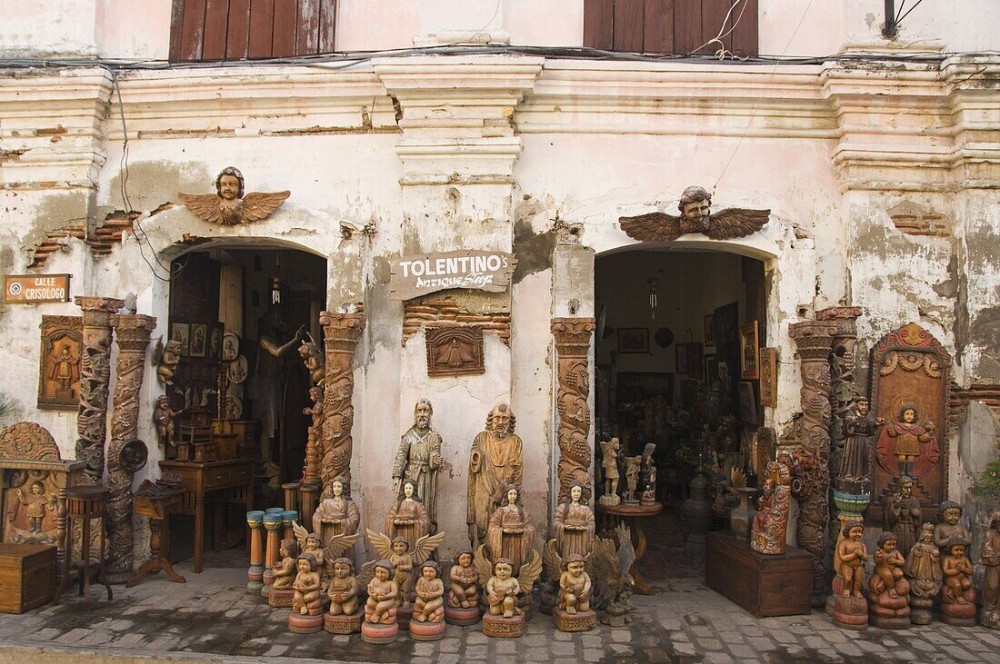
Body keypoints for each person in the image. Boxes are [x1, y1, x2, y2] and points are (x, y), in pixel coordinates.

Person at [252, 311, 305, 483]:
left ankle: (270, 459)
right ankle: (265, 459)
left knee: (274, 423)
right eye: (276, 320)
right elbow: (278, 352)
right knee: (267, 421)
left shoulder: (276, 338)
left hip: (274, 382)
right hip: (265, 383)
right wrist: (296, 340)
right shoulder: (264, 340)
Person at [467, 404, 523, 547]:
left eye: (505, 418)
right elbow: (475, 461)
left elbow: (515, 468)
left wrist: (503, 489)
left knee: (503, 524)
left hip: (505, 489)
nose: (500, 422)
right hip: (484, 487)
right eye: (497, 418)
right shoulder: (481, 438)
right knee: (482, 523)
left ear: (510, 421)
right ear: (491, 419)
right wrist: (476, 456)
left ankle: (501, 561)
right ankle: (481, 558)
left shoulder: (515, 441)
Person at [392, 399, 443, 531]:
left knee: (424, 508)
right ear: (415, 413)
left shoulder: (434, 436)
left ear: (430, 413)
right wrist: (397, 476)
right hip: (410, 477)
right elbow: (401, 455)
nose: (422, 414)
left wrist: (435, 460)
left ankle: (425, 536)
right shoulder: (408, 436)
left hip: (426, 479)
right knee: (407, 507)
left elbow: (434, 454)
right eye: (419, 410)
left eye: (425, 410)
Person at [876, 404, 937, 478]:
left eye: (911, 414)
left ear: (914, 416)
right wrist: (889, 425)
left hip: (913, 447)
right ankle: (902, 471)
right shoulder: (898, 426)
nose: (909, 416)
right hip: (901, 446)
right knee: (902, 457)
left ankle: (909, 472)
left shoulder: (917, 428)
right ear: (902, 415)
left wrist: (929, 435)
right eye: (907, 414)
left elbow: (922, 438)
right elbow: (892, 434)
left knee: (911, 458)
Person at [487, 484, 536, 572]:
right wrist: (502, 531)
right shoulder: (501, 511)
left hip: (518, 541)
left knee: (516, 558)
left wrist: (523, 531)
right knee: (505, 558)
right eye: (510, 494)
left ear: (517, 496)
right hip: (504, 540)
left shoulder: (522, 511)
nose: (512, 496)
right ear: (506, 495)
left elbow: (530, 527)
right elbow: (492, 526)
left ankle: (517, 573)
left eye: (514, 494)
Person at [312, 476, 361, 561]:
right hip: (327, 532)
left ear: (344, 488)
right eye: (334, 487)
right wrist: (322, 520)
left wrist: (341, 521)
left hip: (342, 533)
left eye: (339, 486)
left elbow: (355, 518)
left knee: (343, 554)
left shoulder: (349, 504)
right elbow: (316, 515)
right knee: (328, 552)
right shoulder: (326, 502)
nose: (336, 489)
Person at [838, 398, 882, 492]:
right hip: (853, 440)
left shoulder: (869, 415)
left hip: (864, 441)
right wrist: (851, 422)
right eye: (862, 404)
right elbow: (846, 426)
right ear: (857, 405)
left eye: (866, 405)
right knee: (852, 457)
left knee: (863, 458)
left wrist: (876, 423)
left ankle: (862, 475)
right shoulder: (851, 413)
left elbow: (871, 426)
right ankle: (848, 474)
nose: (864, 407)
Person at [384, 480, 430, 556]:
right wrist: (394, 522)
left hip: (413, 533)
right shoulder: (398, 504)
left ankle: (412, 559)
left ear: (414, 490)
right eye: (406, 488)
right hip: (399, 532)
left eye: (410, 488)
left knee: (411, 549)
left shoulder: (418, 504)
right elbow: (389, 517)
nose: (408, 490)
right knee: (400, 546)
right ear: (403, 490)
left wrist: (414, 522)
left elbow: (425, 520)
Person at [553, 482, 595, 559]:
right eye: (574, 491)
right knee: (567, 556)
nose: (576, 494)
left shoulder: (586, 509)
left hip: (581, 538)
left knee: (581, 557)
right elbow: (556, 522)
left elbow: (591, 524)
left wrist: (585, 528)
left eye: (578, 491)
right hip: (567, 537)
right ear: (570, 492)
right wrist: (564, 527)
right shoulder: (562, 507)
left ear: (581, 493)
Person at [883, 477, 921, 557]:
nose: (908, 491)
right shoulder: (891, 500)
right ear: (900, 488)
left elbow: (918, 522)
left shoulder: (914, 500)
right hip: (897, 528)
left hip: (909, 530)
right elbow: (889, 519)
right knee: (897, 548)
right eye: (906, 488)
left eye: (910, 488)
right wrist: (896, 505)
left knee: (909, 548)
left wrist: (917, 514)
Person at [905, 522, 942, 600]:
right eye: (926, 538)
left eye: (930, 538)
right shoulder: (918, 545)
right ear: (923, 537)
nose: (928, 540)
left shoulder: (932, 546)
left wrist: (935, 554)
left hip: (929, 563)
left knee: (928, 571)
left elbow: (936, 555)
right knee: (920, 571)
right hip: (920, 563)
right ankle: (920, 578)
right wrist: (917, 551)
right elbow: (914, 554)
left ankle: (928, 579)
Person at [835, 523, 868, 599]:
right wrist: (854, 555)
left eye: (859, 532)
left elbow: (866, 558)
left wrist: (861, 554)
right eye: (854, 532)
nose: (857, 534)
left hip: (858, 566)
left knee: (858, 579)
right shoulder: (843, 543)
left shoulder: (862, 545)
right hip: (847, 565)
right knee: (848, 578)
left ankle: (856, 590)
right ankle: (846, 589)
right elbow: (842, 557)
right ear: (848, 532)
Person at [871, 532, 906, 600]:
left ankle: (883, 584)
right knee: (888, 575)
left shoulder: (895, 552)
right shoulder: (879, 552)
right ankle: (891, 589)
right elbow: (877, 563)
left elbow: (902, 562)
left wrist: (895, 561)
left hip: (893, 568)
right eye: (889, 544)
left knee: (899, 574)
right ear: (882, 544)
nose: (892, 547)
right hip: (881, 568)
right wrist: (879, 557)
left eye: (894, 544)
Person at [364, 560, 399, 625]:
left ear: (390, 573)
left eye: (383, 573)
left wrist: (386, 596)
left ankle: (376, 615)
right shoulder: (374, 580)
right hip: (375, 599)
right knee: (369, 602)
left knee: (381, 606)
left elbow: (394, 592)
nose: (380, 575)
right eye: (377, 572)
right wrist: (371, 594)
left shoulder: (391, 583)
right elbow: (369, 589)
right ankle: (383, 613)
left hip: (387, 600)